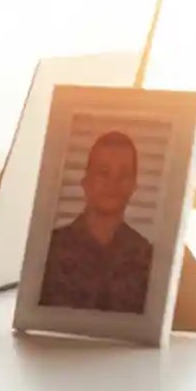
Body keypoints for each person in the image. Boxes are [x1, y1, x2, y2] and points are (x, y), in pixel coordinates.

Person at [39, 130, 153, 313]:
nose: (113, 183)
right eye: (103, 172)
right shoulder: (48, 250)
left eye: (124, 174)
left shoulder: (148, 259)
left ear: (133, 186)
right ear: (86, 182)